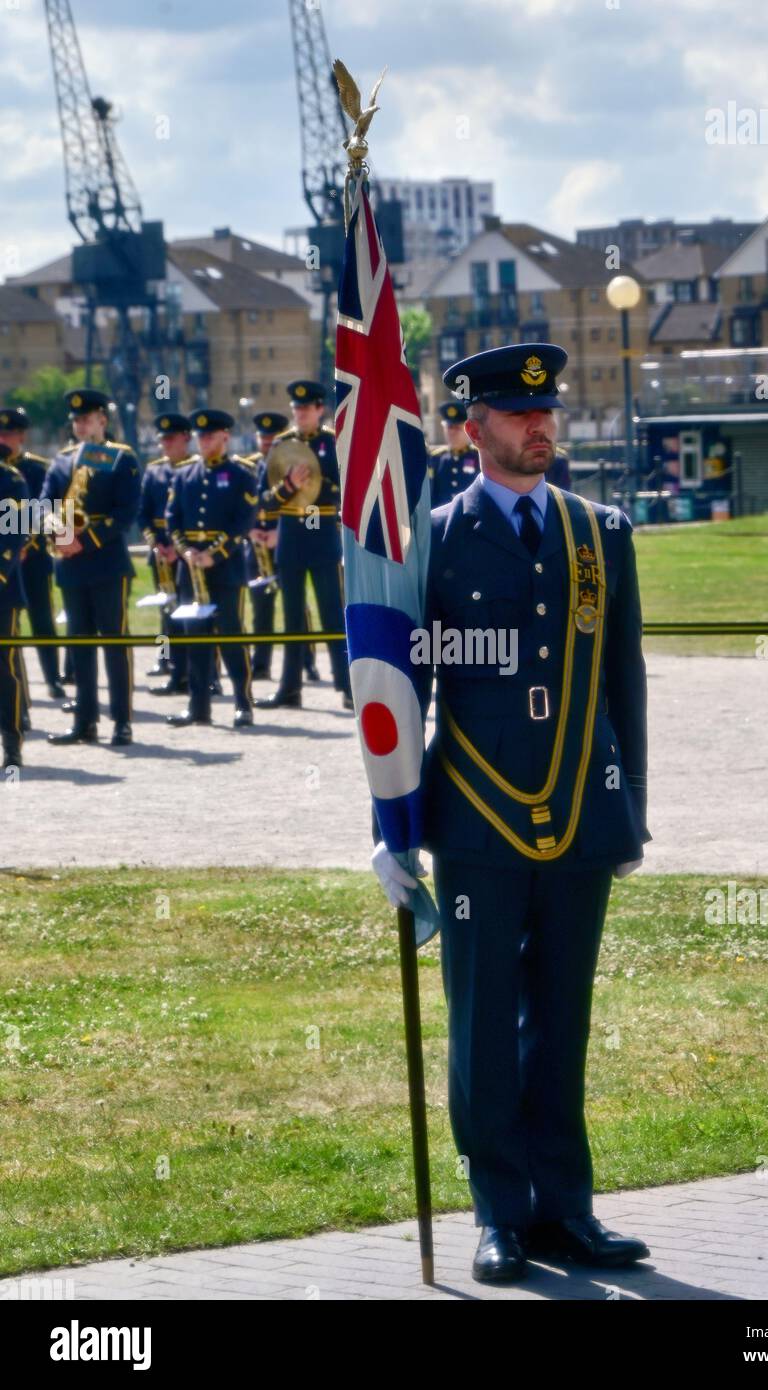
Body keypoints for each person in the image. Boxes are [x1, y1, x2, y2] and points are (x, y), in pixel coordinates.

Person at [372, 343, 652, 1282]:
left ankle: (567, 1210)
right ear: (471, 430)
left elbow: (624, 682)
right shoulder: (433, 539)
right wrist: (393, 825)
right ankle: (499, 1210)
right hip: (476, 818)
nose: (541, 427)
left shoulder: (598, 531)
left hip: (582, 808)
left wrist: (631, 812)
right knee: (484, 1020)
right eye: (518, 414)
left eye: (548, 413)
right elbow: (397, 686)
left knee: (562, 1019)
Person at [41, 388, 141, 747]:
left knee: (114, 642)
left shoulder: (120, 457)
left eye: (88, 418)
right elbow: (44, 505)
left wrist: (85, 540)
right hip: (69, 563)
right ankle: (85, 721)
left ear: (102, 419)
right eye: (77, 420)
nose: (81, 424)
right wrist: (58, 535)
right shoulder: (62, 459)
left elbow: (126, 512)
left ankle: (122, 721)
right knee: (79, 644)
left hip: (106, 562)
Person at [255, 379, 351, 710]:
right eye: (296, 408)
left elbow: (347, 488)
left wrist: (316, 486)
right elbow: (264, 502)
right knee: (292, 618)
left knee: (332, 614)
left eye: (306, 408)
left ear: (319, 409)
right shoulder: (281, 445)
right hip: (292, 537)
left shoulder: (333, 443)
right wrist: (288, 487)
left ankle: (348, 687)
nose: (300, 413)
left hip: (322, 533)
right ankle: (290, 688)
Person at [164, 408, 257, 729]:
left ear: (225, 437)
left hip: (225, 569)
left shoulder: (241, 474)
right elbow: (172, 519)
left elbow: (243, 520)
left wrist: (214, 554)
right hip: (191, 571)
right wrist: (185, 551)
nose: (204, 441)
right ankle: (198, 706)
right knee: (196, 641)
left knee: (231, 637)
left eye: (210, 435)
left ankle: (243, 703)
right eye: (200, 436)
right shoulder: (184, 475)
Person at [0, 406, 64, 701]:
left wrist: (25, 544)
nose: (4, 438)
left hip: (32, 558)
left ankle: (53, 678)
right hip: (5, 561)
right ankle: (16, 689)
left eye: (9, 434)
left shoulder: (38, 469)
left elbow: (47, 512)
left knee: (42, 619)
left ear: (22, 436)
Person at [140, 411, 196, 697]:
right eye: (162, 439)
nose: (165, 444)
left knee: (194, 615)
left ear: (185, 438)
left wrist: (179, 547)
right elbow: (144, 515)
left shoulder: (197, 468)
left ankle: (204, 674)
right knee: (167, 613)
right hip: (161, 553)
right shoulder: (154, 470)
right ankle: (170, 664)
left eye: (170, 439)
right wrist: (156, 545)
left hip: (187, 552)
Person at [0, 441, 27, 772]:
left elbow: (13, 534)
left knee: (3, 671)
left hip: (2, 590)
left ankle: (12, 745)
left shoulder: (10, 480)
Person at [429, 400, 479, 506]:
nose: (452, 432)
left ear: (468, 429)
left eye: (457, 428)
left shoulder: (478, 456)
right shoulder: (436, 458)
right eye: (449, 427)